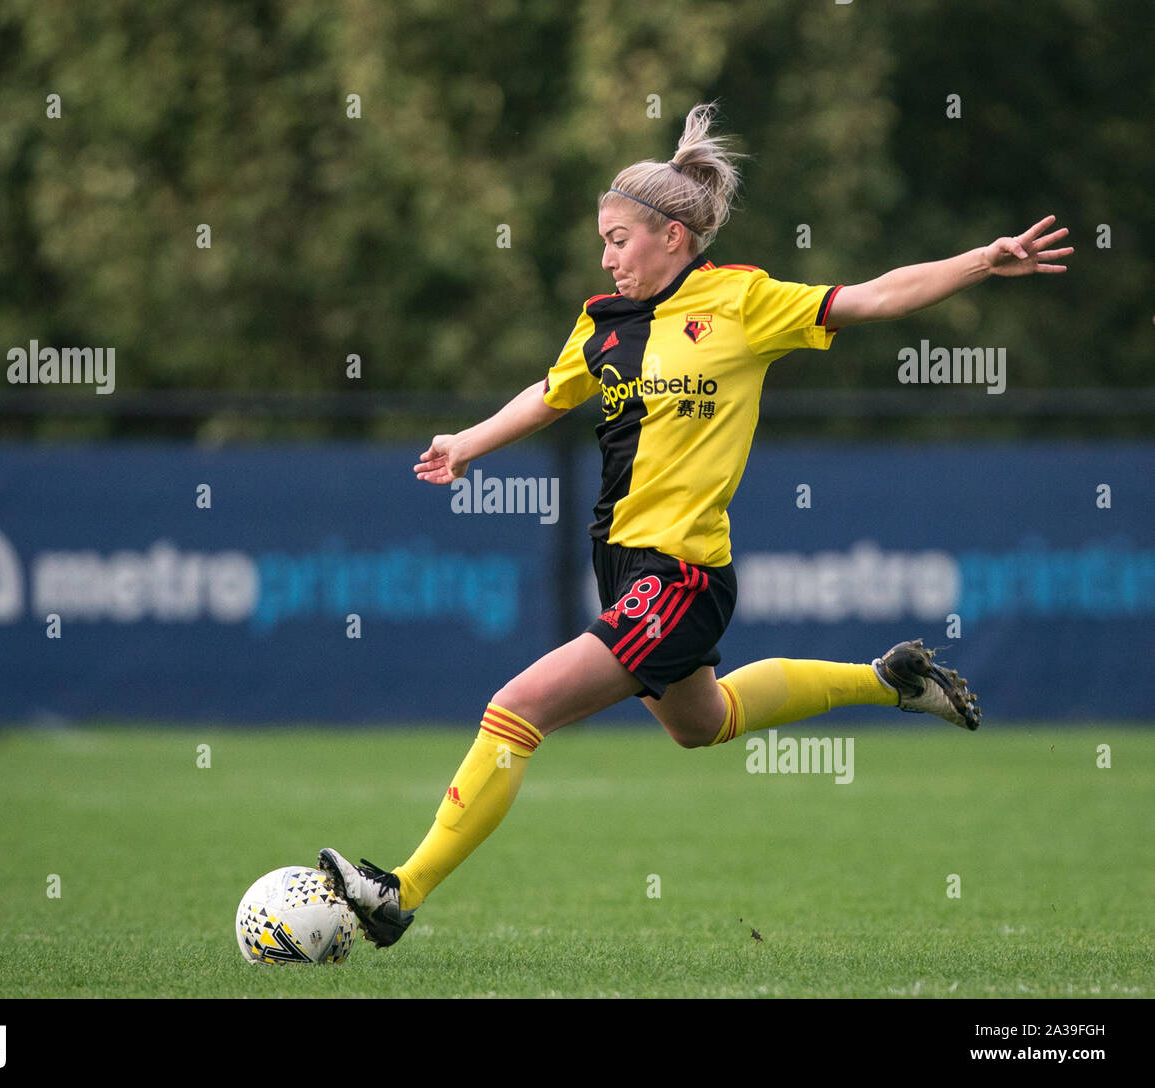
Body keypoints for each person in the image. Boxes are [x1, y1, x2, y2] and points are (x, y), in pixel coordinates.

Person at [319, 103, 1072, 948]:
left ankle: (400, 891)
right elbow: (551, 391)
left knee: (516, 709)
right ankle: (888, 680)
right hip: (626, 567)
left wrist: (984, 259)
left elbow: (872, 298)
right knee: (699, 724)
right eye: (602, 240)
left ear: (674, 235)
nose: (607, 255)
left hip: (681, 576)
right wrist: (466, 443)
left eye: (620, 238)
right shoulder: (605, 321)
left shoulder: (742, 301)